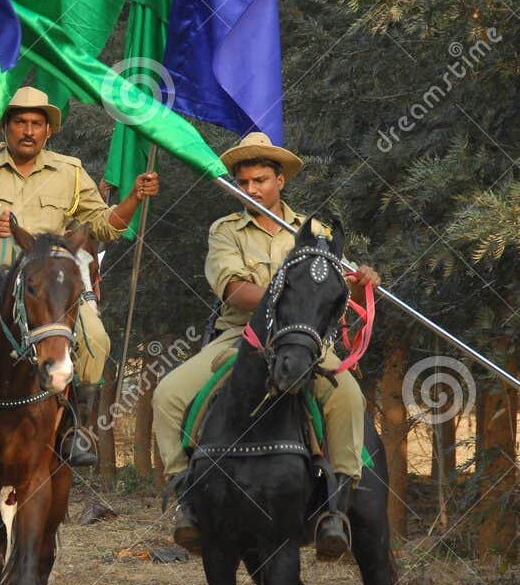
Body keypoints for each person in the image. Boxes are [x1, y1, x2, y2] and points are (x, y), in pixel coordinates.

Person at [151, 131, 380, 557]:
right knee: (167, 394)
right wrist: (285, 298)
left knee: (348, 396)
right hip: (243, 337)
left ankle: (336, 506)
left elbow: (333, 283)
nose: (252, 189)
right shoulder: (225, 230)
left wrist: (362, 278)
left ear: (281, 181)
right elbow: (234, 290)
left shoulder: (315, 231)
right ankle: (187, 495)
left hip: (305, 341)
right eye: (244, 183)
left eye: (260, 180)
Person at [0, 86, 158, 464]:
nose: (28, 131)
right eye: (20, 123)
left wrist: (133, 200)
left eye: (36, 124)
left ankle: (75, 430)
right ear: (5, 128)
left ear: (48, 131)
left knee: (97, 342)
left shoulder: (71, 172)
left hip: (50, 287)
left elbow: (102, 227)